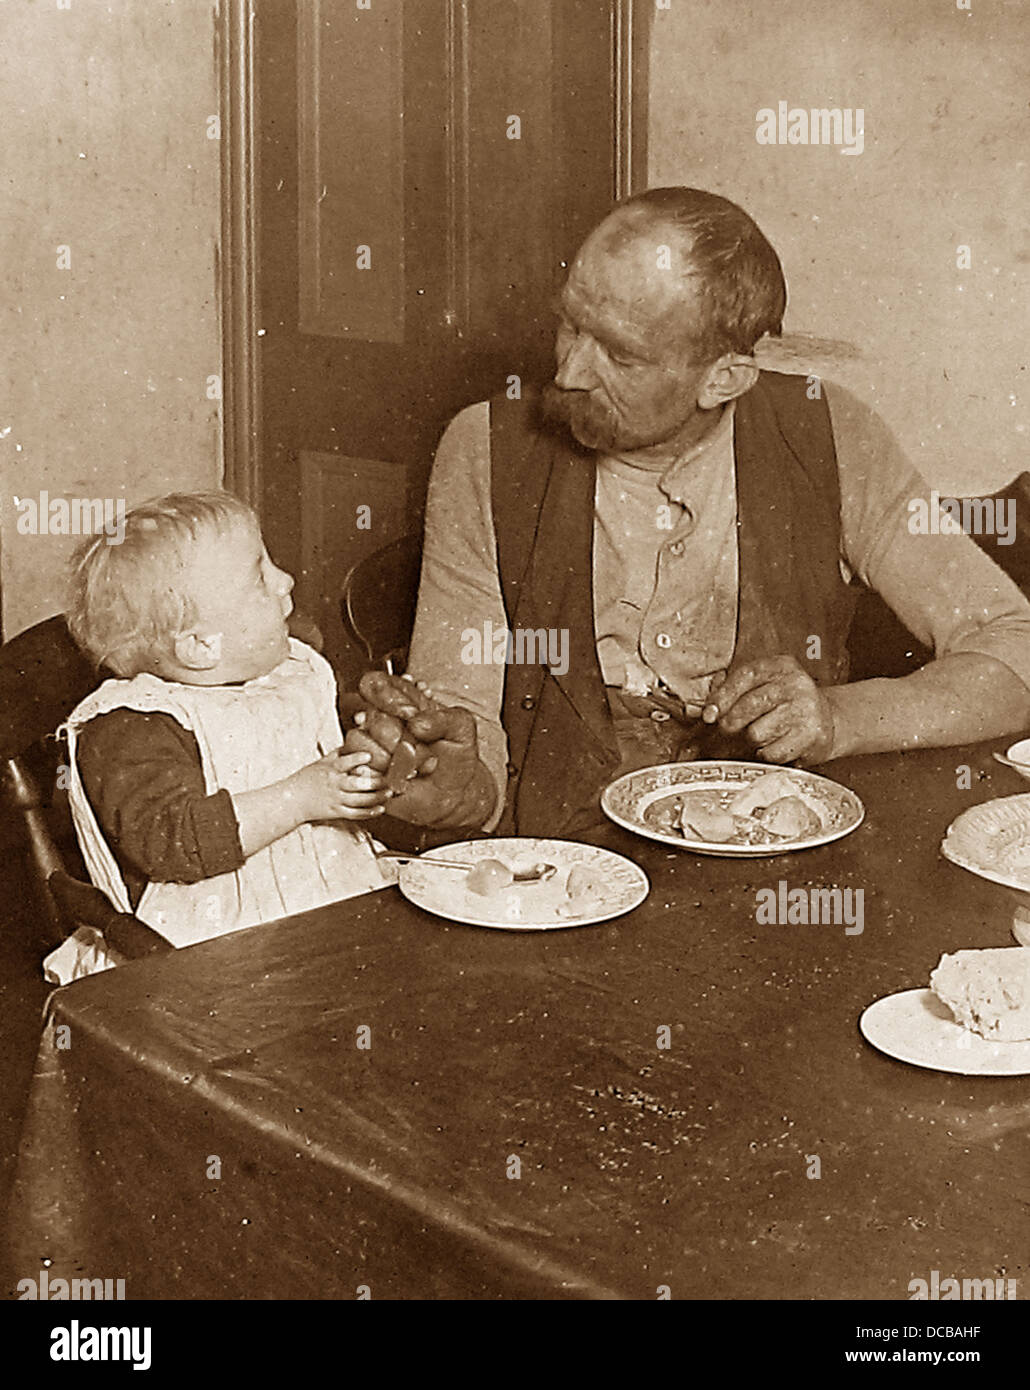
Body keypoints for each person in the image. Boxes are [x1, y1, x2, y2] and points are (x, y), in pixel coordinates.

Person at [346, 187, 1030, 837]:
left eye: (619, 354)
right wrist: (460, 786)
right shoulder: (484, 449)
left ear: (725, 377)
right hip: (566, 869)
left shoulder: (829, 435)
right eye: (570, 326)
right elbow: (465, 712)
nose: (570, 373)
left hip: (768, 874)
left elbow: (1015, 644)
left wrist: (838, 720)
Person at [44, 491, 396, 984]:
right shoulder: (132, 725)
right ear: (201, 646)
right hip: (206, 947)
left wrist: (371, 739)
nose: (286, 580)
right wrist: (301, 797)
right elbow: (171, 842)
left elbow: (309, 737)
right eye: (260, 576)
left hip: (322, 901)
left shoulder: (290, 671)